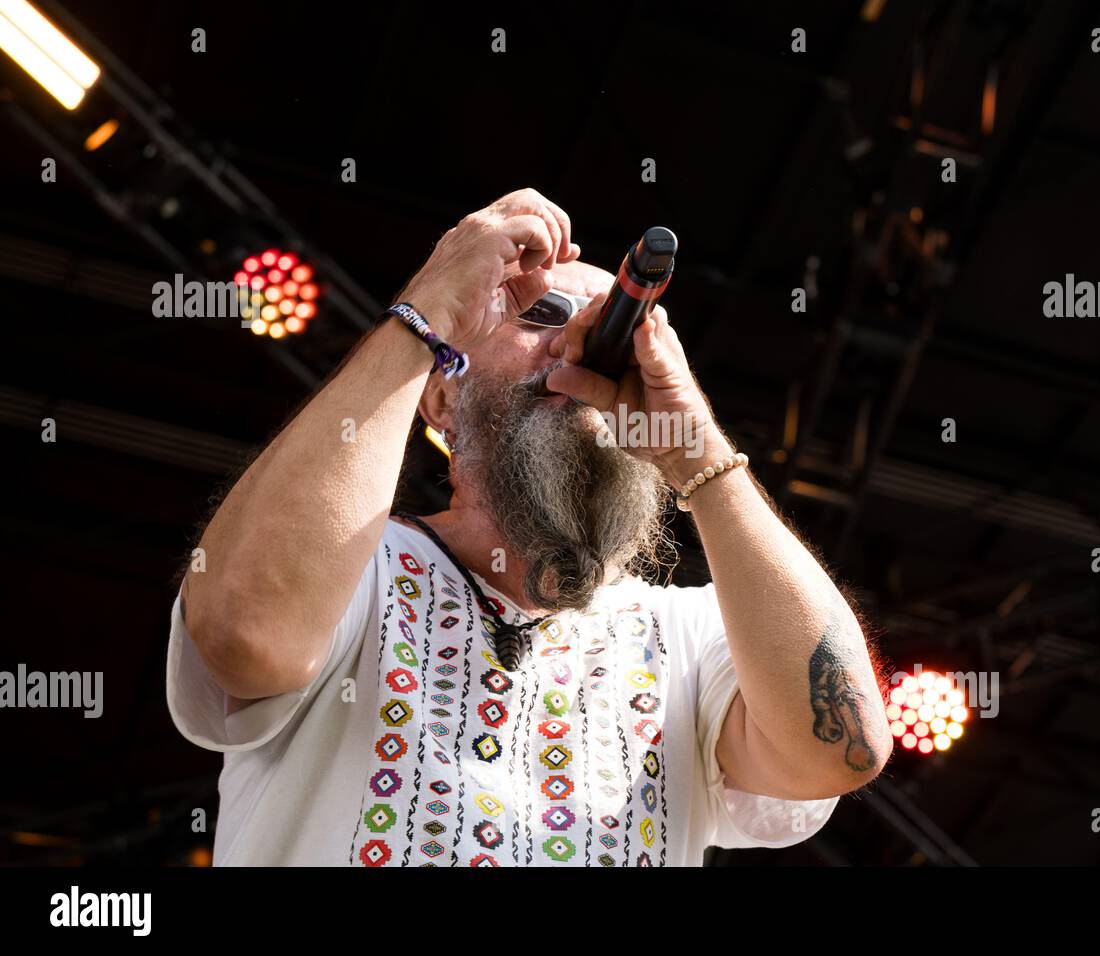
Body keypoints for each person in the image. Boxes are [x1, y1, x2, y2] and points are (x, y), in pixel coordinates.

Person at [167, 188, 892, 866]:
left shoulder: (695, 636)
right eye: (540, 318)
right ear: (442, 398)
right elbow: (244, 635)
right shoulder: (353, 566)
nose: (573, 348)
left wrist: (694, 445)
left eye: (611, 331)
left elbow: (841, 751)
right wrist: (425, 313)